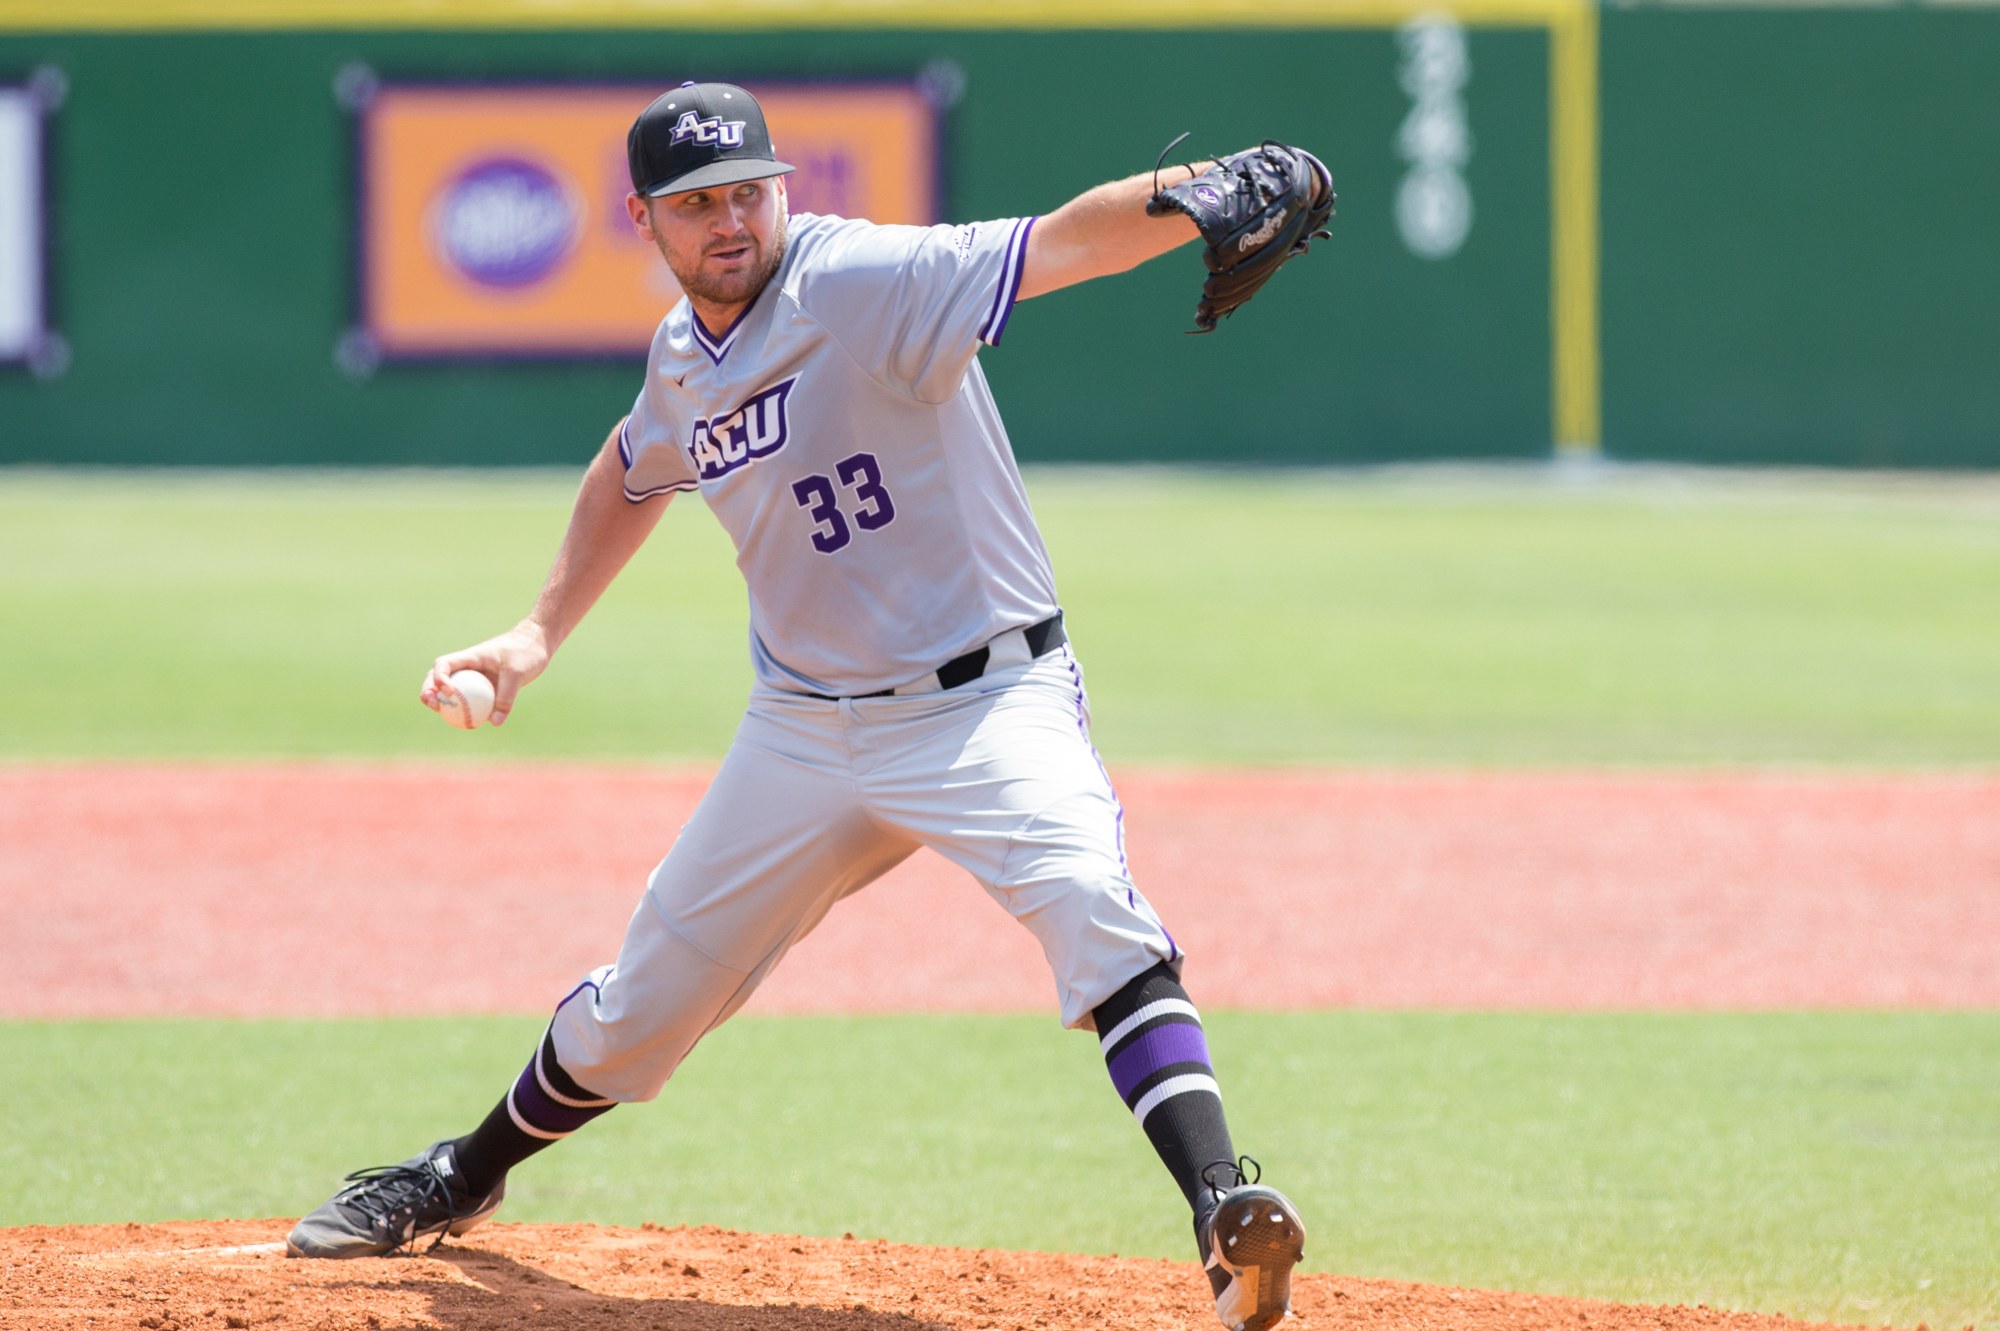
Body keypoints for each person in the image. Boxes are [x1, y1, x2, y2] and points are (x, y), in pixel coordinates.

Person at [287, 82, 1314, 1331]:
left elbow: (1056, 244)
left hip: (986, 700)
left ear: (781, 189)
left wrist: (1193, 192)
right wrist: (533, 633)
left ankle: (1221, 1212)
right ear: (643, 221)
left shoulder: (857, 280)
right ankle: (461, 1171)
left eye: (746, 192)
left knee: (1093, 906)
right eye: (696, 204)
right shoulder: (681, 357)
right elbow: (630, 466)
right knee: (640, 1007)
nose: (729, 221)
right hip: (804, 727)